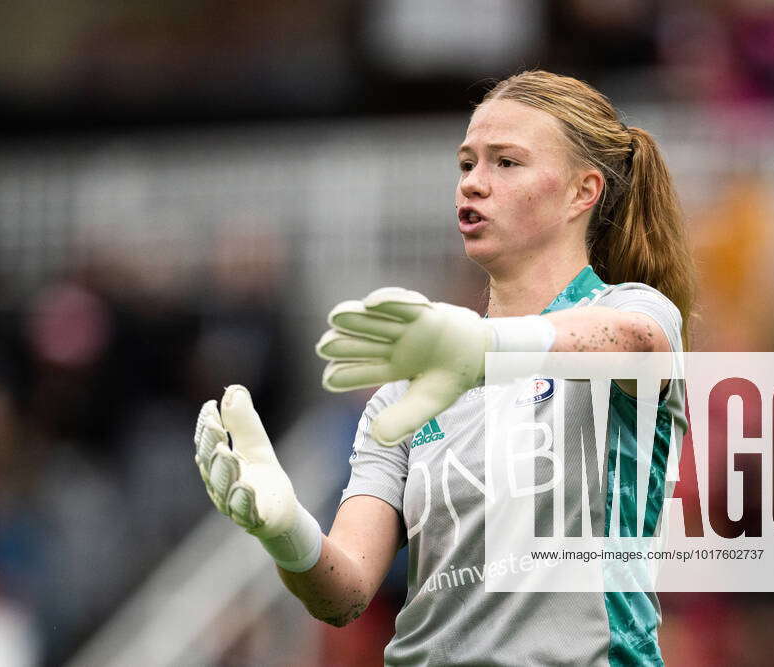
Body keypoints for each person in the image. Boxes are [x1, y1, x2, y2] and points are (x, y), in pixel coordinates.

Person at [193, 70, 695, 665]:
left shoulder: (629, 312)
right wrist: (287, 534)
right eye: (466, 164)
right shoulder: (406, 393)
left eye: (506, 163)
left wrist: (482, 347)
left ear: (582, 192)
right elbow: (345, 594)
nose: (474, 184)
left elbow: (636, 342)